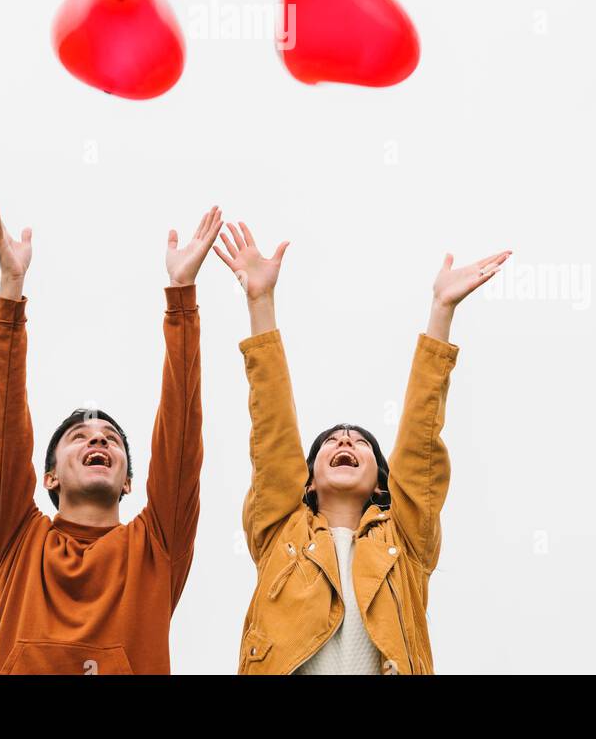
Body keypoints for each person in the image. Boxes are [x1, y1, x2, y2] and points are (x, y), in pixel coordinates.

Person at [214, 220, 510, 675]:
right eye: (330, 442)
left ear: (380, 486)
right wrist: (260, 302)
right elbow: (271, 430)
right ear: (307, 481)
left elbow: (419, 444)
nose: (346, 440)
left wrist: (441, 312)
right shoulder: (278, 530)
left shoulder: (407, 541)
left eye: (359, 442)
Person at [0, 194, 221, 674]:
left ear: (129, 481)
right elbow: (1, 433)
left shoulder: (157, 547)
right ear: (48, 478)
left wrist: (182, 296)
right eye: (80, 436)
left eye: (110, 437)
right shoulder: (16, 541)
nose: (99, 441)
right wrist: (10, 293)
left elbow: (181, 437)